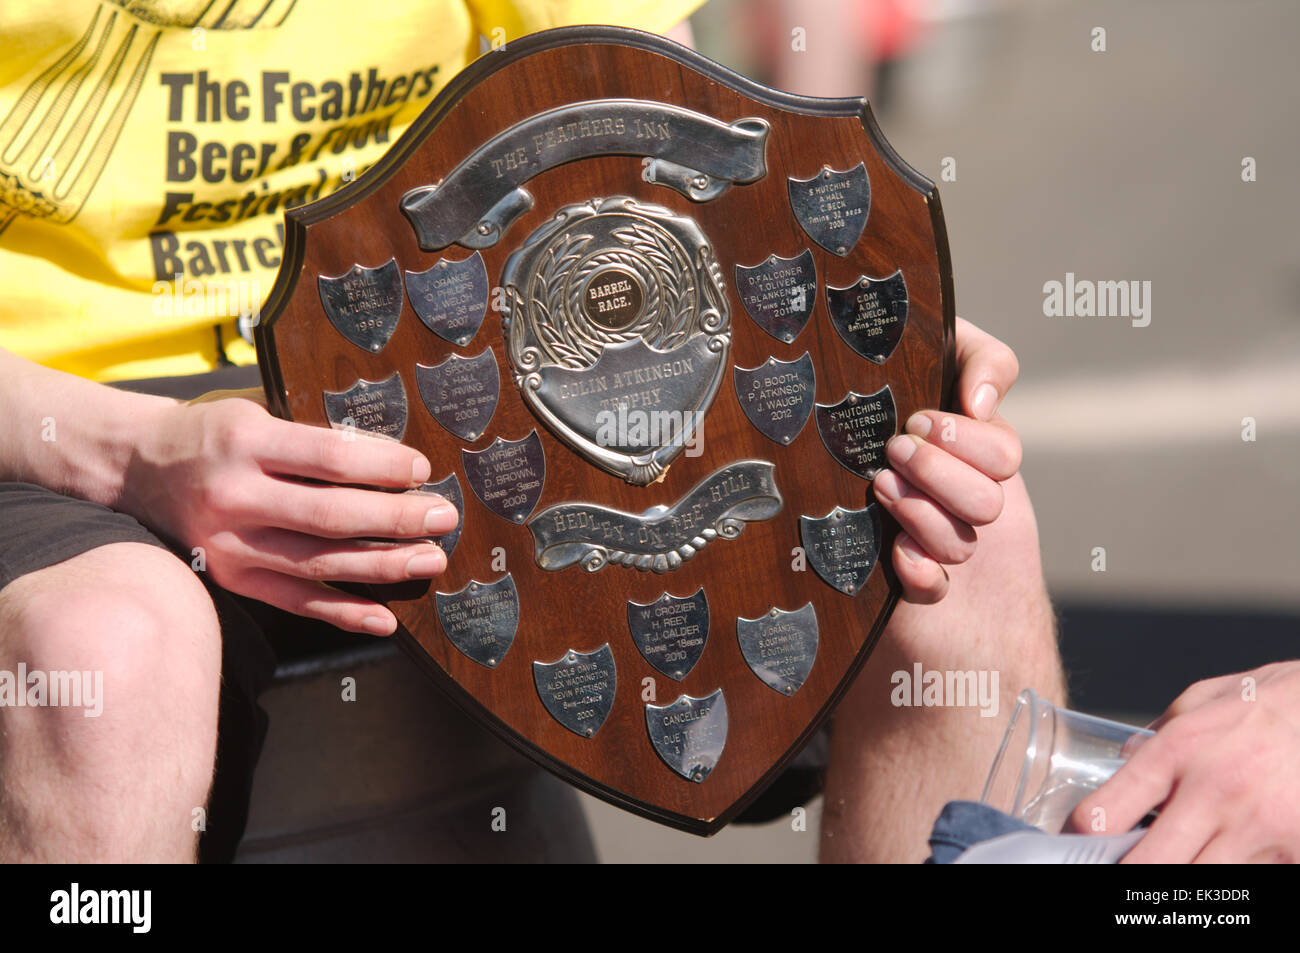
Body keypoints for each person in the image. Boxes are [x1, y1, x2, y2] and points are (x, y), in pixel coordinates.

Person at [0, 0, 1064, 862]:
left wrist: (853, 326)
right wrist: (127, 449)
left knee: (957, 533)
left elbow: (659, 108)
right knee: (110, 649)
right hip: (53, 403)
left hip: (427, 348)